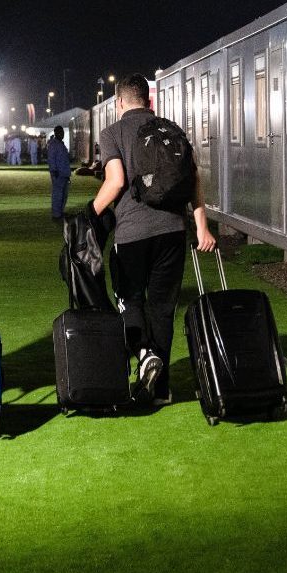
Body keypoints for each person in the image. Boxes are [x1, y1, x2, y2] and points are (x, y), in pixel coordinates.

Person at [90, 74, 215, 406]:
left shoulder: (112, 133)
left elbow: (115, 182)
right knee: (162, 308)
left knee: (128, 298)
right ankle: (160, 390)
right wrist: (202, 226)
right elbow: (193, 178)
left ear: (119, 103)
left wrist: (90, 213)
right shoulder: (170, 130)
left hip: (132, 234)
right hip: (173, 231)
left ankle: (145, 355)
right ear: (149, 100)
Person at [47, 125, 71, 222]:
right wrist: (53, 170)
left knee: (64, 195)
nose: (62, 134)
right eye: (60, 132)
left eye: (62, 132)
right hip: (58, 173)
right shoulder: (53, 144)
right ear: (56, 133)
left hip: (64, 173)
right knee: (57, 194)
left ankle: (60, 212)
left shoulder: (61, 144)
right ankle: (56, 215)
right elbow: (51, 158)